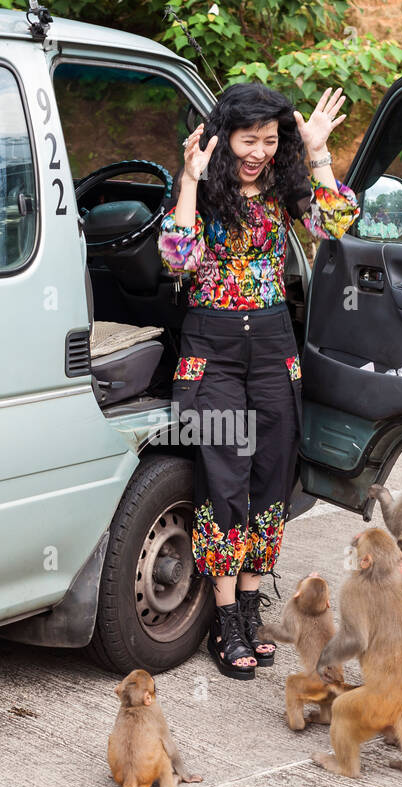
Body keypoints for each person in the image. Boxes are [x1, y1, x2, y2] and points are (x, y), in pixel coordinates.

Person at [157, 83, 360, 680]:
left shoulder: (283, 187)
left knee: (272, 474)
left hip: (273, 347)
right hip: (212, 350)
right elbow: (177, 258)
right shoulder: (206, 186)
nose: (260, 152)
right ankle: (223, 622)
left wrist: (317, 155)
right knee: (225, 476)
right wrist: (190, 179)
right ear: (226, 137)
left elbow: (337, 226)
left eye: (272, 141)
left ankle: (249, 605)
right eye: (250, 140)